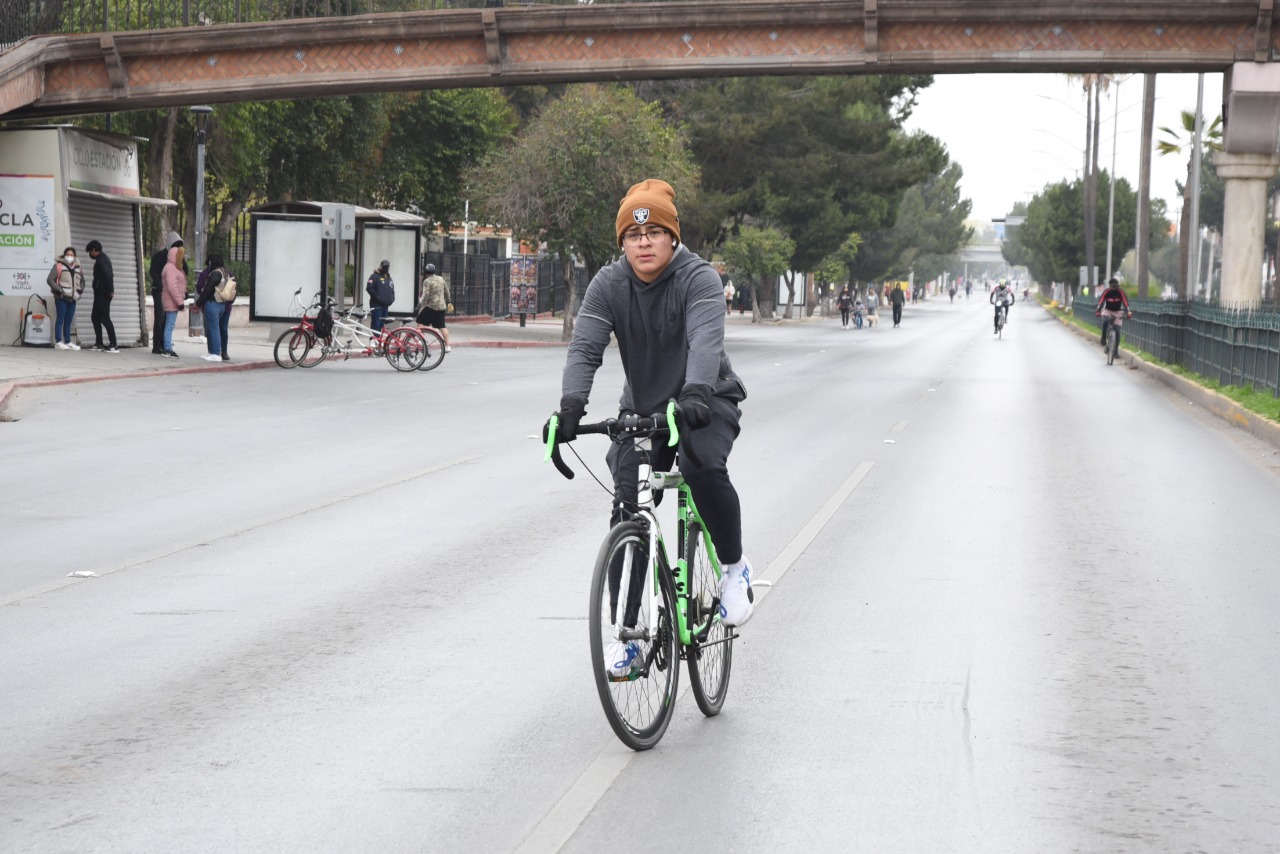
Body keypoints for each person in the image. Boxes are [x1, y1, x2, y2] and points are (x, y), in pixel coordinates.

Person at [550, 178, 754, 675]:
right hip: (643, 409)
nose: (643, 242)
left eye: (655, 231)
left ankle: (733, 568)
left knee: (702, 466)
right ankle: (629, 631)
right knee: (628, 506)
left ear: (672, 237)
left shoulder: (699, 278)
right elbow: (585, 348)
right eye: (633, 235)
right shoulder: (607, 284)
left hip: (706, 399)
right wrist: (571, 407)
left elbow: (705, 341)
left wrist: (698, 391)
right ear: (623, 242)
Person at [150, 232, 185, 355]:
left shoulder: (178, 258)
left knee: (167, 320)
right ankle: (157, 345)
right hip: (159, 291)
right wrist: (160, 287)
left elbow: (184, 271)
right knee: (160, 318)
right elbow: (153, 272)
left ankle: (165, 343)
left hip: (169, 293)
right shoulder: (159, 256)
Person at [194, 253, 232, 362]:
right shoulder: (226, 273)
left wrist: (198, 303)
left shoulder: (215, 274)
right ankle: (213, 352)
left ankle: (215, 353)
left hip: (213, 304)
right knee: (214, 329)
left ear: (211, 262)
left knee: (214, 329)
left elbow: (207, 290)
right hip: (222, 304)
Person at [47, 246, 85, 349]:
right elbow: (50, 279)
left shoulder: (78, 268)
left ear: (74, 256)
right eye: (67, 255)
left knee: (68, 320)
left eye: (71, 255)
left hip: (73, 298)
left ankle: (68, 341)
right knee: (60, 319)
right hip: (61, 297)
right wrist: (58, 289)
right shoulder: (58, 266)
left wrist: (80, 290)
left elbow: (82, 281)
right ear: (64, 256)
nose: (69, 256)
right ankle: (58, 341)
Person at [85, 240, 118, 352]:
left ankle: (113, 344)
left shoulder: (102, 261)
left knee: (105, 319)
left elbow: (108, 276)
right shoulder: (101, 259)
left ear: (94, 250)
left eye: (90, 251)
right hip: (99, 294)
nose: (90, 254)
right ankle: (99, 343)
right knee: (95, 317)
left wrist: (110, 291)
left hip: (103, 294)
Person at [416, 263, 452, 352]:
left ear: (426, 272)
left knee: (419, 321)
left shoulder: (427, 281)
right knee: (442, 326)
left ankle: (422, 342)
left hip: (432, 307)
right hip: (442, 307)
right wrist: (449, 302)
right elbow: (447, 291)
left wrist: (419, 305)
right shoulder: (441, 279)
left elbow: (425, 295)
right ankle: (447, 346)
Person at [159, 243, 187, 358]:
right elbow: (172, 286)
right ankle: (167, 349)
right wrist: (179, 302)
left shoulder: (173, 267)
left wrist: (183, 293)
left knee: (169, 324)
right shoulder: (171, 268)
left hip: (172, 300)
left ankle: (167, 347)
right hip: (171, 301)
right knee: (169, 325)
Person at [1095, 277, 1132, 349]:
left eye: (1115, 285)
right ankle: (1103, 338)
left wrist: (1128, 312)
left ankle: (1116, 351)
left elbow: (1125, 303)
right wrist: (1098, 311)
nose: (1114, 287)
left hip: (1118, 311)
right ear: (1109, 286)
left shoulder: (1121, 292)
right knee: (1105, 321)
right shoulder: (1106, 291)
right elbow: (1101, 302)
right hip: (1107, 310)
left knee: (1117, 330)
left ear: (1118, 285)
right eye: (1112, 285)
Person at [365, 260, 395, 334]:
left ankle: (378, 340)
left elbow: (392, 289)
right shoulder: (374, 276)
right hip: (376, 305)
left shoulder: (388, 277)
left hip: (386, 304)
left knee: (381, 323)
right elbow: (369, 288)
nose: (386, 269)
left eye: (387, 267)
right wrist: (377, 297)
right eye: (384, 267)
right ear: (381, 266)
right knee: (376, 322)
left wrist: (392, 298)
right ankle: (373, 339)